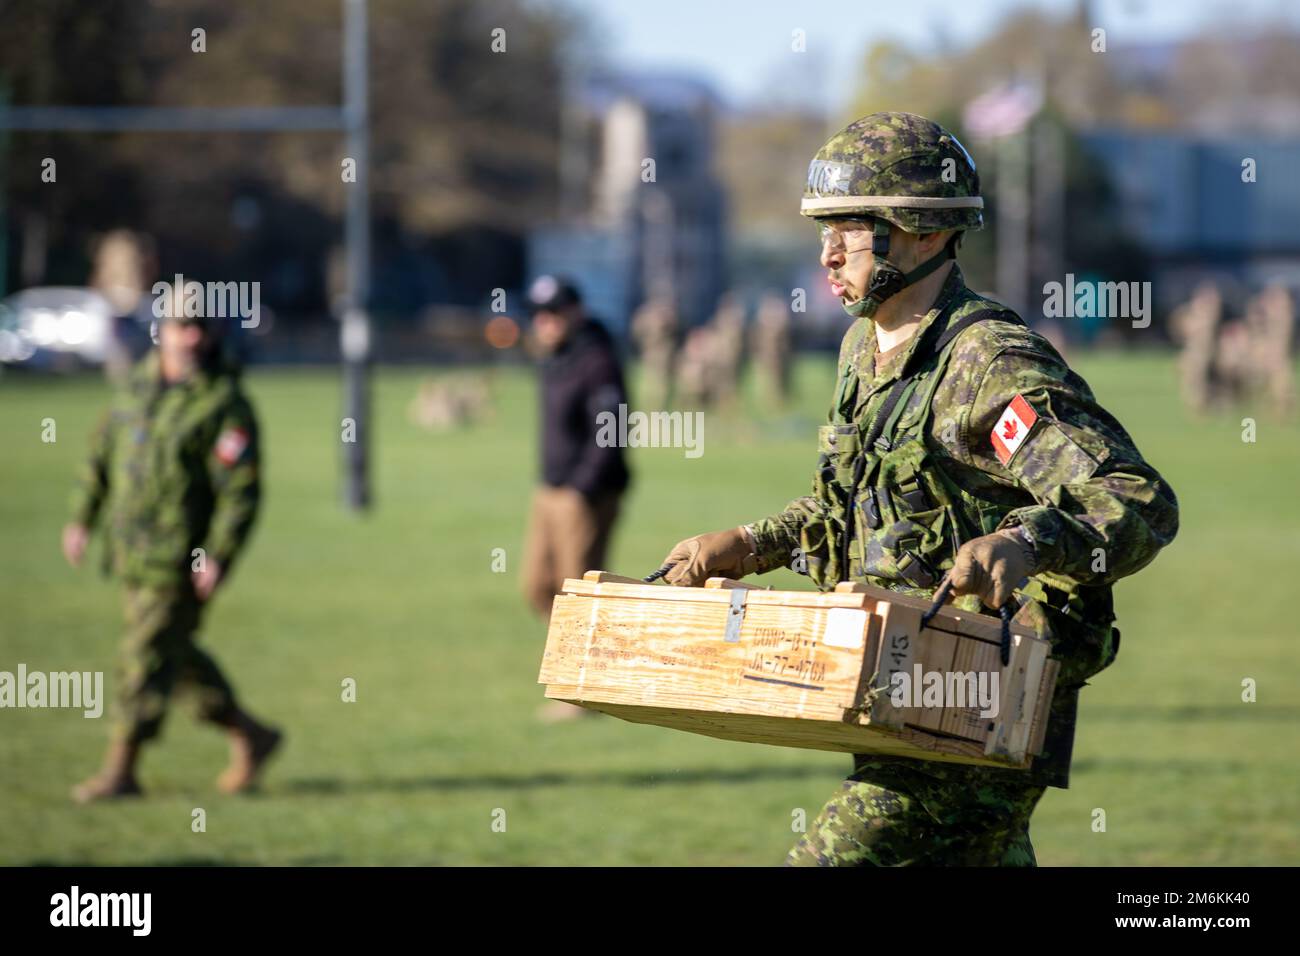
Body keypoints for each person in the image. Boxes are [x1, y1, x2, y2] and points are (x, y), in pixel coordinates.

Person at [657, 112, 1180, 866]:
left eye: (853, 229)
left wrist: (1026, 542)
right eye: (823, 229)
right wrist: (750, 544)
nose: (829, 253)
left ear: (926, 234)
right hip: (898, 687)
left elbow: (1134, 498)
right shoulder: (862, 347)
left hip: (980, 695)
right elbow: (847, 506)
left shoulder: (988, 362)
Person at [62, 290, 280, 802]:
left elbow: (239, 493)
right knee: (173, 658)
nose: (194, 337)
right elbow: (101, 455)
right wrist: (81, 518)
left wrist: (218, 555)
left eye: (203, 327)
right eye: (185, 326)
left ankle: (121, 771)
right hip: (130, 552)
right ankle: (252, 733)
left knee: (143, 656)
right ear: (164, 328)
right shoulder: (135, 390)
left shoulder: (223, 403)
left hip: (180, 558)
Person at [520, 275, 631, 614]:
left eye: (554, 312)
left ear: (575, 312)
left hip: (584, 495)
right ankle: (564, 655)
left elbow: (613, 426)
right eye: (538, 313)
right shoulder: (556, 357)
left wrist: (583, 486)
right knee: (537, 587)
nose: (545, 321)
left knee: (579, 599)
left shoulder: (597, 358)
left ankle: (582, 662)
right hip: (549, 489)